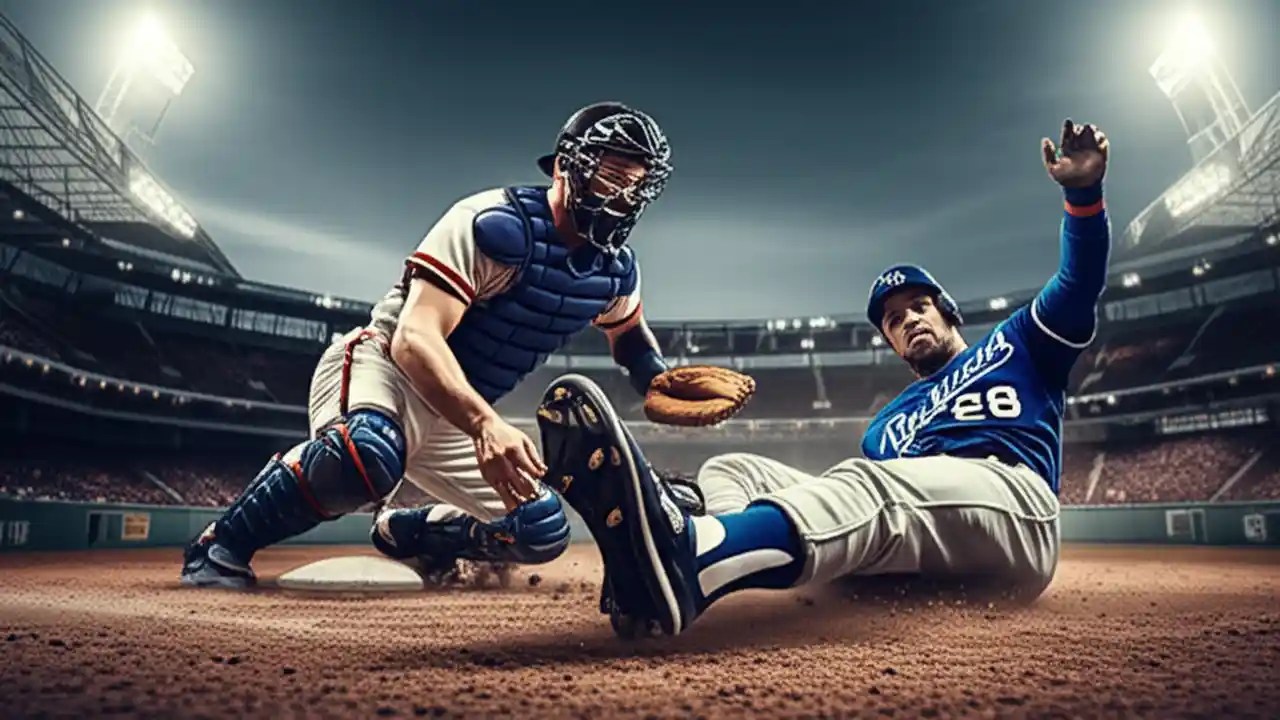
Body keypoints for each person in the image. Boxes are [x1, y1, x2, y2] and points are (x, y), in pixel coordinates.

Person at [536, 119, 1111, 637]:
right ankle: (683, 546)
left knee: (872, 485)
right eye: (894, 320)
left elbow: (1078, 282)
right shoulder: (890, 422)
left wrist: (1083, 194)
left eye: (919, 306)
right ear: (890, 342)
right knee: (736, 468)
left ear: (948, 312)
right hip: (925, 552)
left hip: (1012, 510)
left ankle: (695, 556)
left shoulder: (1017, 344)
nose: (909, 319)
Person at [182, 101, 685, 587]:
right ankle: (222, 544)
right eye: (610, 177)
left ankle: (414, 535)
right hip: (388, 369)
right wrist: (485, 424)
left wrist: (659, 379)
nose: (623, 197)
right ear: (563, 168)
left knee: (541, 528)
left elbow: (629, 339)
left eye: (636, 185)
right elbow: (414, 339)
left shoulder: (616, 271)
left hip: (455, 412)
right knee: (363, 455)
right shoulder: (493, 223)